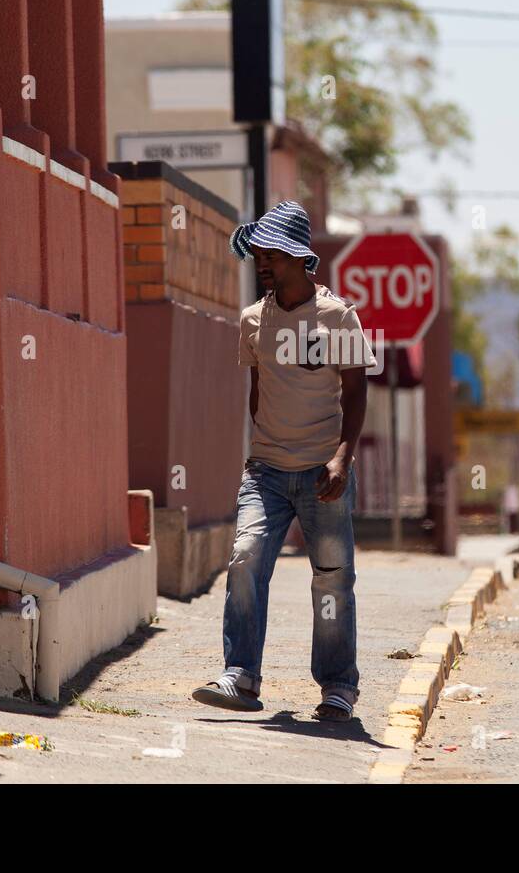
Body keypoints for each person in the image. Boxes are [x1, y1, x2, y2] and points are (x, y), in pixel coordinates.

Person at [191, 201, 376, 722]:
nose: (263, 262)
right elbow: (258, 390)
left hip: (323, 472)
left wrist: (342, 458)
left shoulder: (338, 316)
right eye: (258, 254)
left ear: (298, 258)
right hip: (267, 472)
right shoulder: (253, 319)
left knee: (332, 579)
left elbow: (357, 391)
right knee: (246, 557)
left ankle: (339, 686)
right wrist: (262, 452)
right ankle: (242, 676)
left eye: (272, 253)